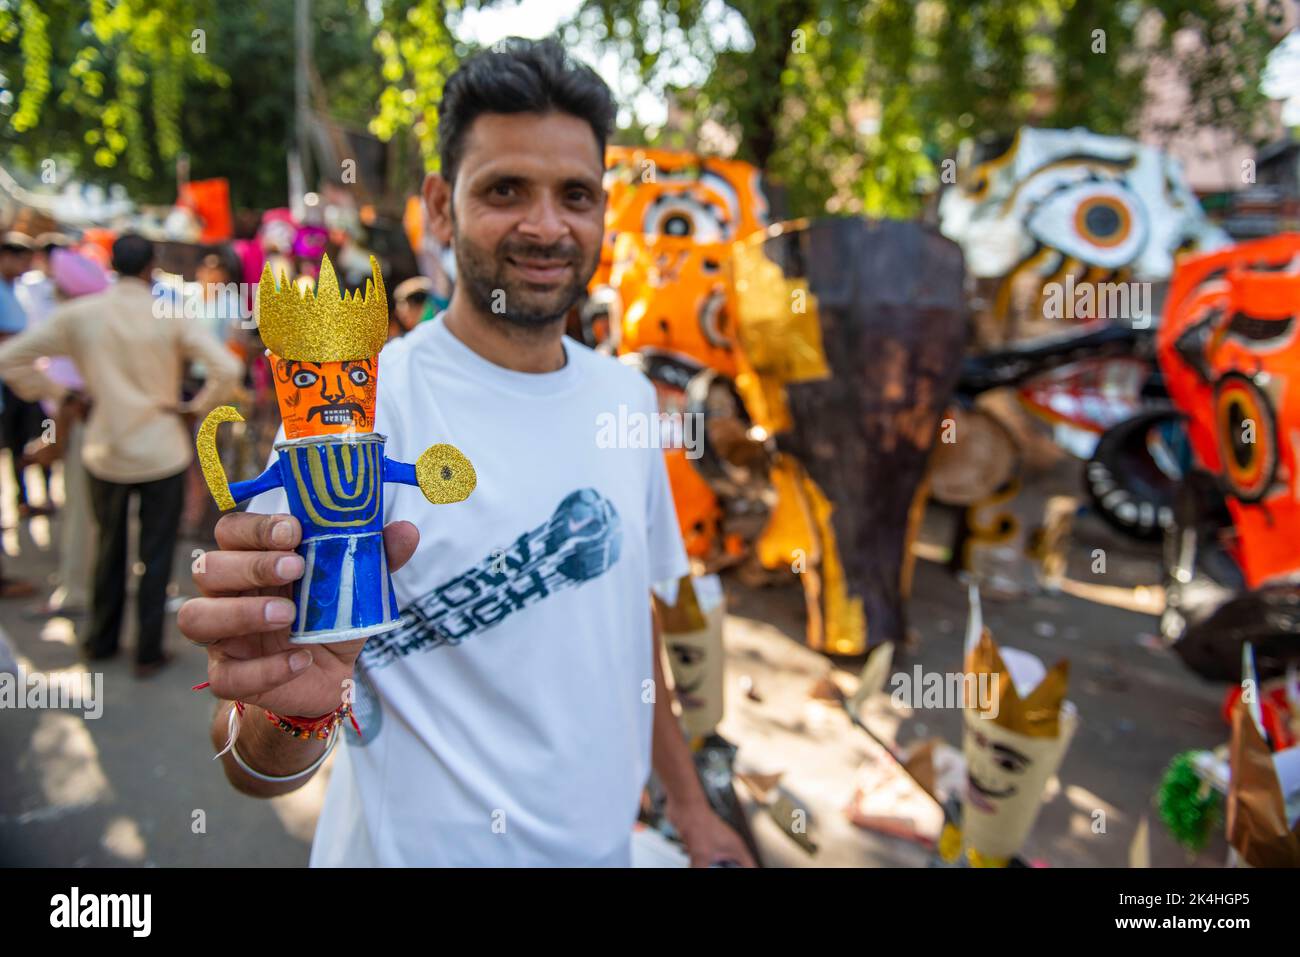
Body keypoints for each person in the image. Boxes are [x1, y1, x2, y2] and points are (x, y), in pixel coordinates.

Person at [179, 37, 755, 867]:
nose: (547, 225)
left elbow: (633, 629)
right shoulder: (354, 419)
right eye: (506, 189)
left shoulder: (627, 400)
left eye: (576, 194)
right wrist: (294, 713)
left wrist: (692, 812)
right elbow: (253, 767)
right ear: (442, 208)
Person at [0, 234, 241, 676]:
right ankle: (148, 650)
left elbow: (10, 359)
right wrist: (193, 409)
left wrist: (62, 394)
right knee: (157, 551)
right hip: (161, 449)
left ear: (112, 264)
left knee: (108, 546)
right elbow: (228, 369)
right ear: (152, 266)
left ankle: (100, 641)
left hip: (104, 450)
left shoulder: (82, 315)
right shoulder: (170, 316)